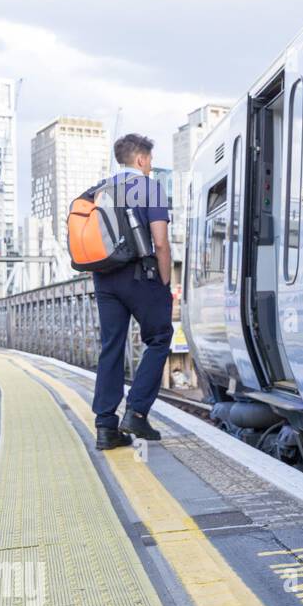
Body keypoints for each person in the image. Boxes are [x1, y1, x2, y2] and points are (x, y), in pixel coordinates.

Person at [92, 134, 174, 450]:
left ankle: (106, 428)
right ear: (140, 159)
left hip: (104, 277)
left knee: (110, 346)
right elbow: (161, 243)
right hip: (140, 275)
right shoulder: (149, 187)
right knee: (159, 337)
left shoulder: (99, 191)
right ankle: (137, 411)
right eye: (150, 161)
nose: (151, 167)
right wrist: (165, 283)